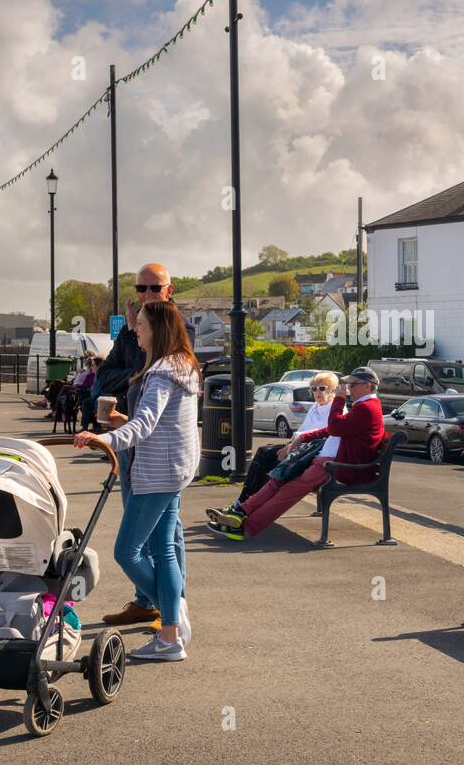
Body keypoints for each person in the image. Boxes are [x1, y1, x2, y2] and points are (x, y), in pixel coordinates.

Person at [75, 300, 199, 661]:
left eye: (141, 325)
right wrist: (119, 422)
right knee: (163, 550)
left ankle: (173, 619)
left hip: (157, 473)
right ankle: (171, 634)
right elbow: (158, 421)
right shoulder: (183, 365)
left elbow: (145, 425)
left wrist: (103, 439)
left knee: (126, 552)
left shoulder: (161, 372)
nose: (136, 331)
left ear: (157, 329)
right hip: (174, 469)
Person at [99, 264, 195, 633]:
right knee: (158, 544)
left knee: (148, 545)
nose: (147, 294)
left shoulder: (169, 351)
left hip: (156, 460)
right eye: (141, 288)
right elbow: (104, 377)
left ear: (169, 290)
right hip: (144, 454)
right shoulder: (147, 345)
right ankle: (158, 611)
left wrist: (105, 437)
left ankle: (170, 611)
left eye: (154, 287)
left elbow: (151, 413)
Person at [207, 367, 384, 540]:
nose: (348, 388)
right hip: (327, 460)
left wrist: (339, 399)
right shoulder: (364, 406)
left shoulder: (366, 408)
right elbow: (332, 429)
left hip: (338, 466)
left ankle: (246, 527)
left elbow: (336, 427)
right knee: (279, 478)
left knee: (289, 488)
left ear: (367, 386)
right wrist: (303, 437)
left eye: (352, 385)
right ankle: (240, 511)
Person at [208, 371, 338, 525]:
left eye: (322, 388)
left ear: (333, 390)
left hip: (313, 454)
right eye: (314, 389)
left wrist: (292, 447)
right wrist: (290, 445)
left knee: (269, 460)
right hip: (302, 449)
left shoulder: (335, 410)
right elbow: (301, 431)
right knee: (265, 452)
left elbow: (321, 436)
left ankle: (242, 508)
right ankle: (242, 505)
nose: (317, 392)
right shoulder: (315, 407)